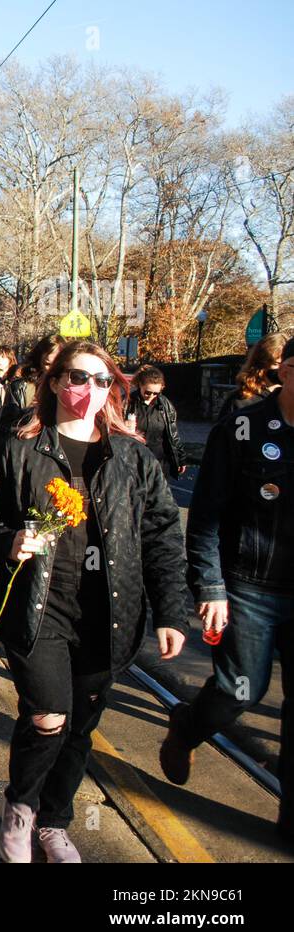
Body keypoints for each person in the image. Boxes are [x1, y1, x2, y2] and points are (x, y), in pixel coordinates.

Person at [0, 341, 189, 863]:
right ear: (53, 382)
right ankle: (20, 810)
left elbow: (161, 536)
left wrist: (172, 611)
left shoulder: (132, 455)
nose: (86, 390)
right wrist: (9, 541)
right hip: (40, 605)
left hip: (109, 613)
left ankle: (54, 822)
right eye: (75, 377)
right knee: (48, 714)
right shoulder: (21, 447)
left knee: (81, 723)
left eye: (100, 380)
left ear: (112, 388)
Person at [160, 336, 294, 842]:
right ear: (286, 370)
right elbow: (208, 512)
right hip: (248, 586)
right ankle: (188, 726)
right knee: (243, 690)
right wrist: (210, 584)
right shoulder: (243, 426)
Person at [0, 335, 64, 447]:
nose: (53, 369)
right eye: (47, 364)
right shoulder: (20, 387)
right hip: (25, 449)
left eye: (58, 364)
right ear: (39, 360)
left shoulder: (70, 388)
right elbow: (6, 428)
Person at [125, 365, 186, 482]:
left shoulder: (165, 405)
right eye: (147, 392)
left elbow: (173, 433)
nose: (151, 396)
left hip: (160, 462)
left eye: (156, 393)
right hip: (135, 461)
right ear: (140, 386)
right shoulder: (127, 403)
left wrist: (180, 457)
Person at [219, 332, 286, 417]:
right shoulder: (240, 401)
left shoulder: (289, 401)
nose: (283, 370)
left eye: (287, 364)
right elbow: (222, 429)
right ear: (261, 364)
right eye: (276, 364)